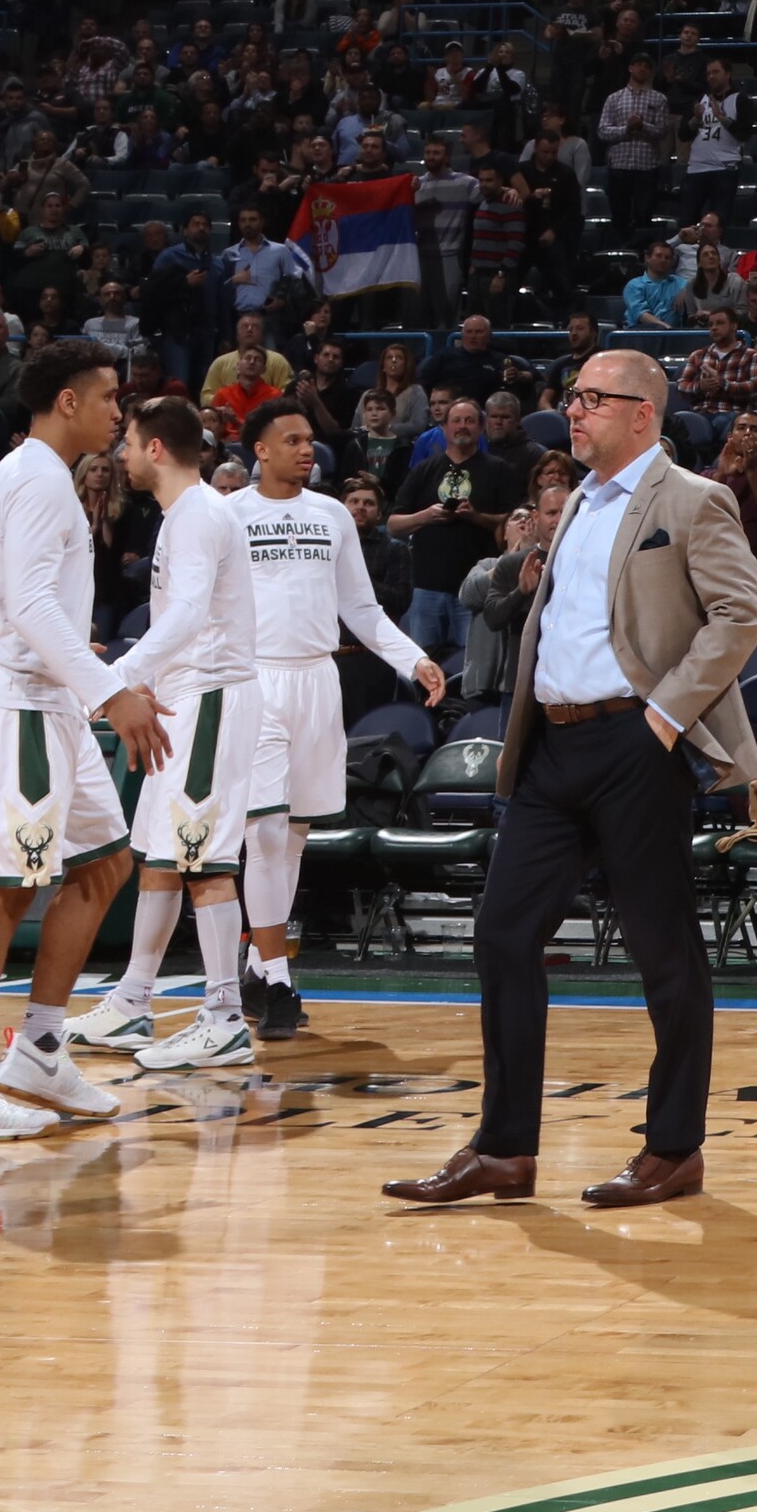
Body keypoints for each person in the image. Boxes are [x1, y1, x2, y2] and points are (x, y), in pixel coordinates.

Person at [384, 349, 757, 1210]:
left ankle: (675, 1147)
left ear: (642, 412)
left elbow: (743, 612)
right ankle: (504, 1150)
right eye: (574, 395)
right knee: (502, 932)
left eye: (594, 398)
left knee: (663, 949)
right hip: (552, 747)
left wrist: (663, 718)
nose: (574, 409)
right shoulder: (577, 501)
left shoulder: (693, 499)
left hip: (637, 743)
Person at [0, 337, 165, 1142]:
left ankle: (40, 1049)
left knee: (105, 862)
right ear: (68, 401)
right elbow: (25, 604)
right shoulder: (36, 478)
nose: (118, 411)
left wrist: (89, 673)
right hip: (17, 701)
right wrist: (111, 691)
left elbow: (31, 604)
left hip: (49, 698)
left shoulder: (43, 475)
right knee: (6, 889)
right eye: (109, 397)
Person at [216, 397, 438, 1038]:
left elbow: (361, 609)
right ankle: (277, 979)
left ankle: (256, 969)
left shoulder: (333, 514)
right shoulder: (228, 515)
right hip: (254, 679)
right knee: (262, 834)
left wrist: (414, 659)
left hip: (318, 678)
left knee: (292, 838)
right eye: (291, 440)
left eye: (309, 439)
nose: (306, 448)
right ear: (259, 450)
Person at [67, 398, 269, 1072]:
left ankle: (224, 1017)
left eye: (127, 443)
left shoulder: (202, 514)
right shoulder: (183, 514)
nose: (121, 455)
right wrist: (148, 683)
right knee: (160, 853)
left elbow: (186, 616)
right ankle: (132, 1001)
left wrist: (117, 678)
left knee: (203, 859)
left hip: (211, 697)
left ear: (155, 448)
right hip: (183, 696)